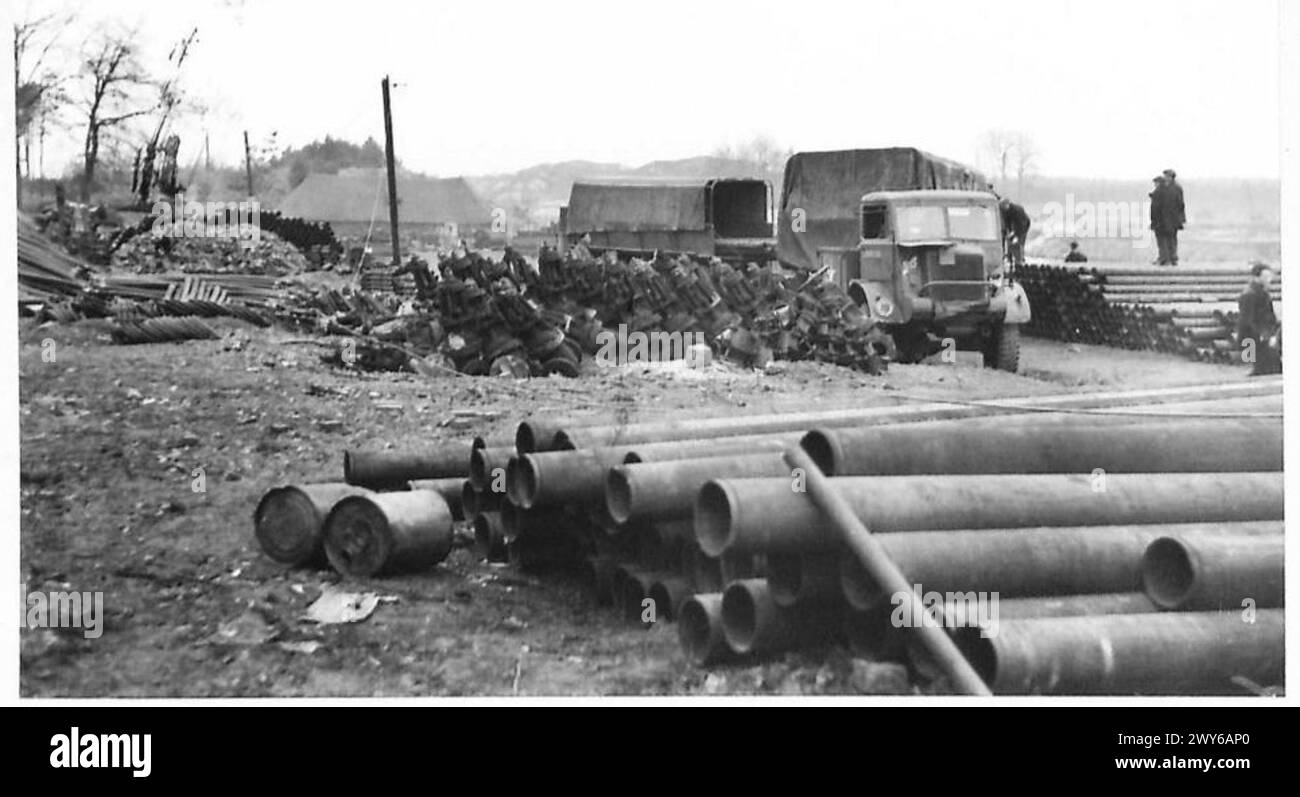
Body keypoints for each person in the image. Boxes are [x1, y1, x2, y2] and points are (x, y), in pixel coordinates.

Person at [1237, 261, 1280, 375]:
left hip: (1263, 336)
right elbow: (1247, 321)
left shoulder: (1263, 293)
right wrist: (1264, 335)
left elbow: (1270, 316)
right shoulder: (1249, 294)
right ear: (1257, 278)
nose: (1270, 280)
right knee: (1258, 371)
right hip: (1252, 339)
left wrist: (1273, 332)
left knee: (1271, 369)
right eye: (1266, 277)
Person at [1151, 169, 1186, 265]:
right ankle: (1170, 258)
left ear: (1171, 177)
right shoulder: (1175, 188)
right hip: (1168, 219)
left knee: (1166, 239)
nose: (1165, 177)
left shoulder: (1170, 188)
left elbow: (1180, 204)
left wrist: (1181, 218)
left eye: (1166, 176)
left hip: (1168, 218)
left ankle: (1167, 259)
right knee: (1169, 239)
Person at [999, 197, 1031, 267]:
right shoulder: (1004, 211)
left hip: (1023, 225)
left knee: (1018, 241)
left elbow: (1020, 225)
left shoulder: (1018, 210)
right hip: (1013, 224)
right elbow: (1007, 222)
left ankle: (1020, 259)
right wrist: (1009, 232)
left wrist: (1014, 234)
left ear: (1008, 204)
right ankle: (1009, 256)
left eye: (1004, 206)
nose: (1003, 208)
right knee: (1010, 240)